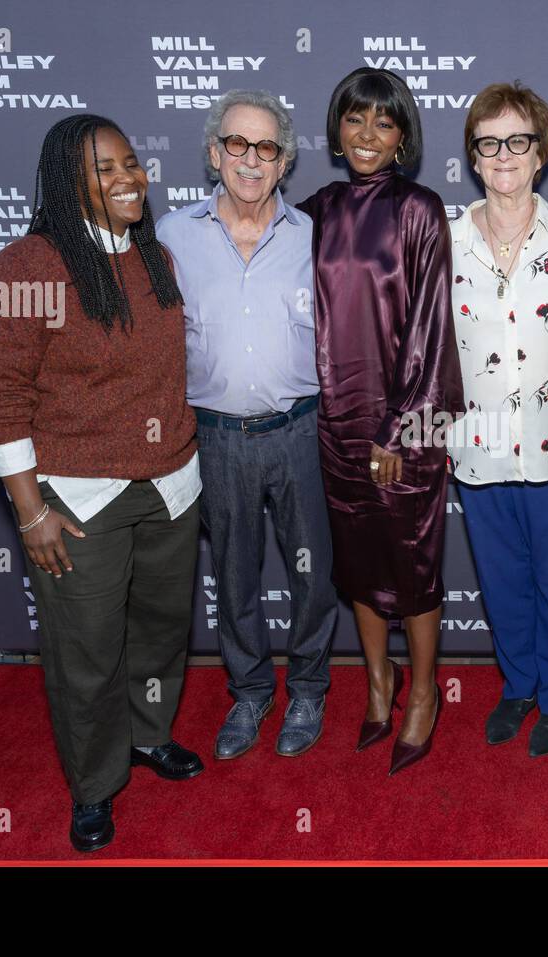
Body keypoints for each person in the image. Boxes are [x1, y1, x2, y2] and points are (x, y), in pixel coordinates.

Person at [0, 114, 204, 853]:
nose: (129, 177)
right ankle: (95, 785)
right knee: (87, 649)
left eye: (131, 162)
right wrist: (31, 510)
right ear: (68, 179)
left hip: (171, 485)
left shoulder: (154, 254)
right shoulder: (23, 267)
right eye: (104, 168)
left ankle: (148, 734)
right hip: (77, 497)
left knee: (161, 633)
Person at [158, 91, 338, 761]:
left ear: (285, 161)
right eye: (237, 144)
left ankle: (311, 688)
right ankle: (251, 690)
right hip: (216, 438)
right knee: (232, 574)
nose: (251, 160)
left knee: (312, 572)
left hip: (300, 431)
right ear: (214, 152)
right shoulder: (172, 236)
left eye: (266, 148)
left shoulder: (315, 236)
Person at [297, 68, 464, 775]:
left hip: (405, 429)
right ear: (336, 129)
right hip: (335, 426)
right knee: (361, 567)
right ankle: (378, 683)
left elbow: (431, 325)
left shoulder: (419, 209)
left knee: (414, 566)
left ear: (403, 135)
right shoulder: (313, 210)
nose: (368, 135)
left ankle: (424, 693)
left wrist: (401, 430)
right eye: (355, 120)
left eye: (383, 123)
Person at [448, 83, 548, 757]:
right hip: (477, 446)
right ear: (474, 157)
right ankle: (520, 685)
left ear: (541, 152)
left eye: (518, 140)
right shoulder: (441, 241)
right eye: (489, 142)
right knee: (501, 580)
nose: (504, 155)